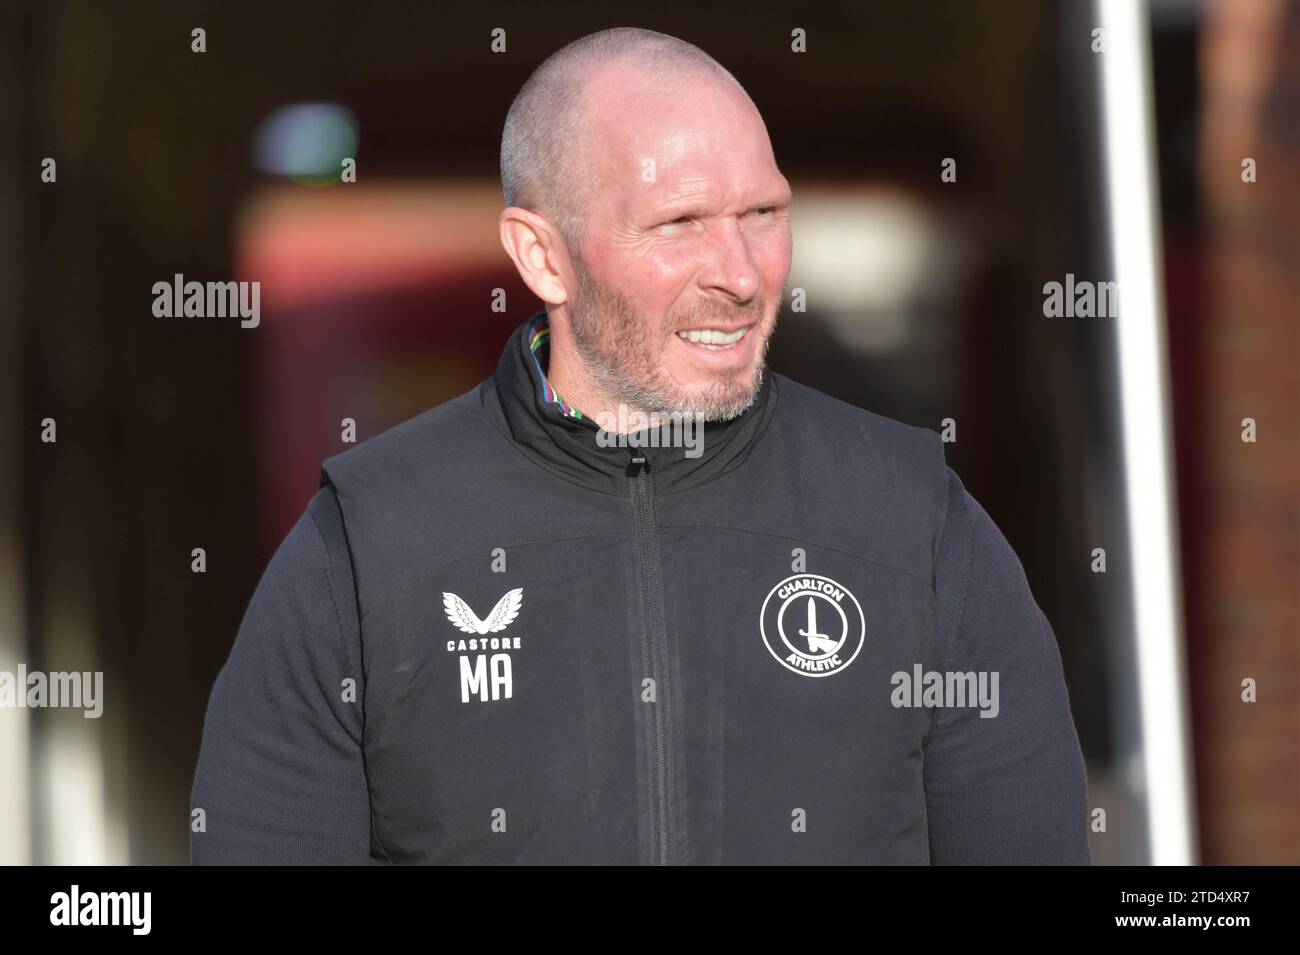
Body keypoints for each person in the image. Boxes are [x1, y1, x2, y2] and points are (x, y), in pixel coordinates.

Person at [191, 26, 1090, 864]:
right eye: (680, 224)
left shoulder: (917, 524)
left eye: (764, 214)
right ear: (543, 258)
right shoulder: (363, 546)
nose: (740, 275)